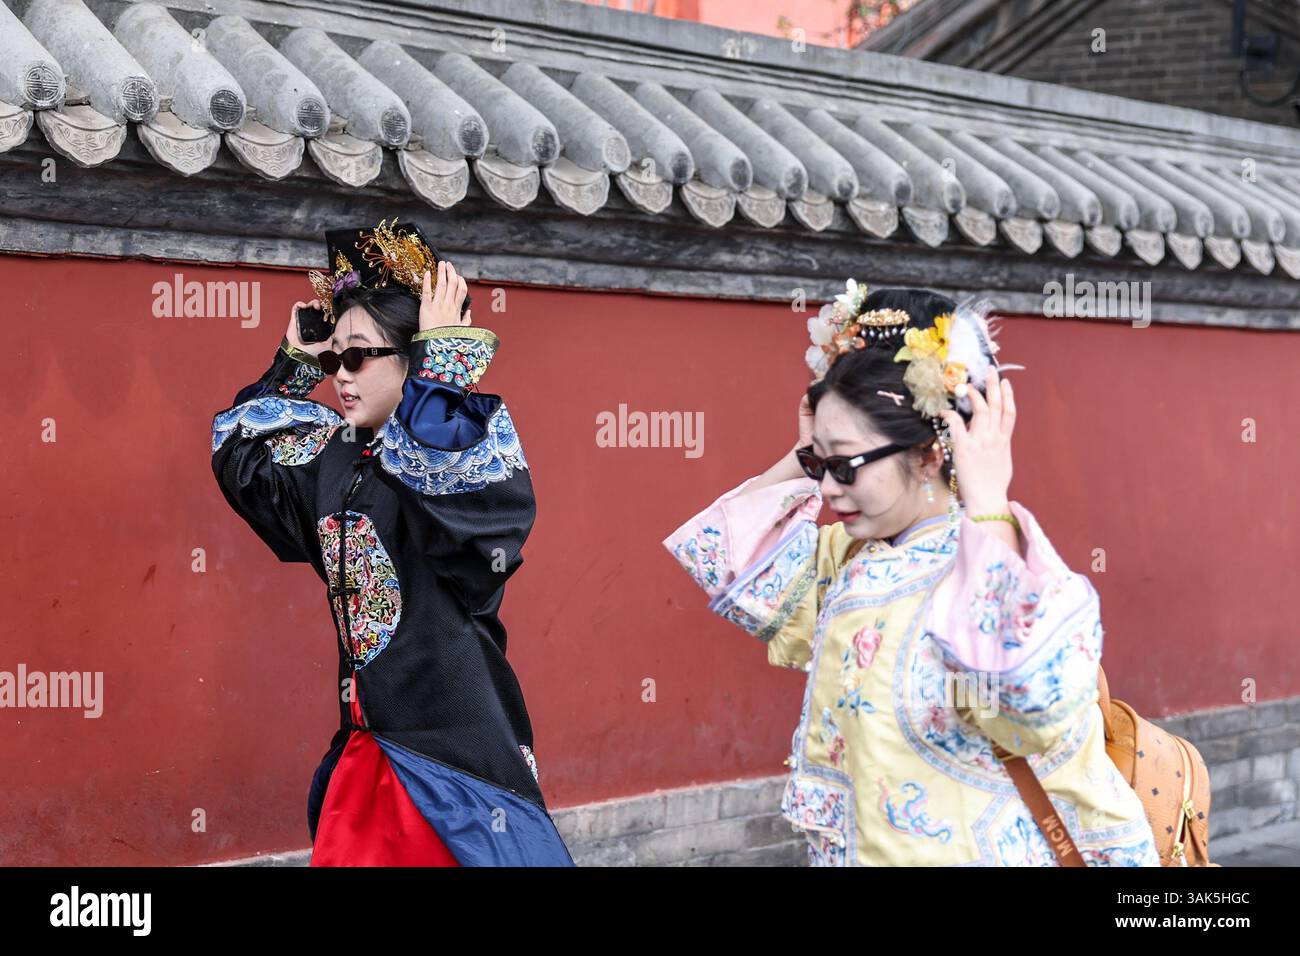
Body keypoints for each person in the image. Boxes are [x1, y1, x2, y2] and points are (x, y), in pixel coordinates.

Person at [662, 282, 1160, 866]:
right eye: (821, 466)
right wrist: (810, 450)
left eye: (844, 466)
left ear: (928, 454)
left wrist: (988, 499)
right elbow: (723, 556)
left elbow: (1030, 703)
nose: (825, 489)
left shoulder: (1012, 567)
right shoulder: (850, 559)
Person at [211, 219, 573, 866]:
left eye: (357, 356)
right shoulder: (335, 461)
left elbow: (463, 495)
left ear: (418, 359)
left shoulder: (463, 454)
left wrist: (441, 371)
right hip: (366, 746)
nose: (339, 376)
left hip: (454, 760)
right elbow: (243, 461)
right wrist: (292, 366)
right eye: (332, 359)